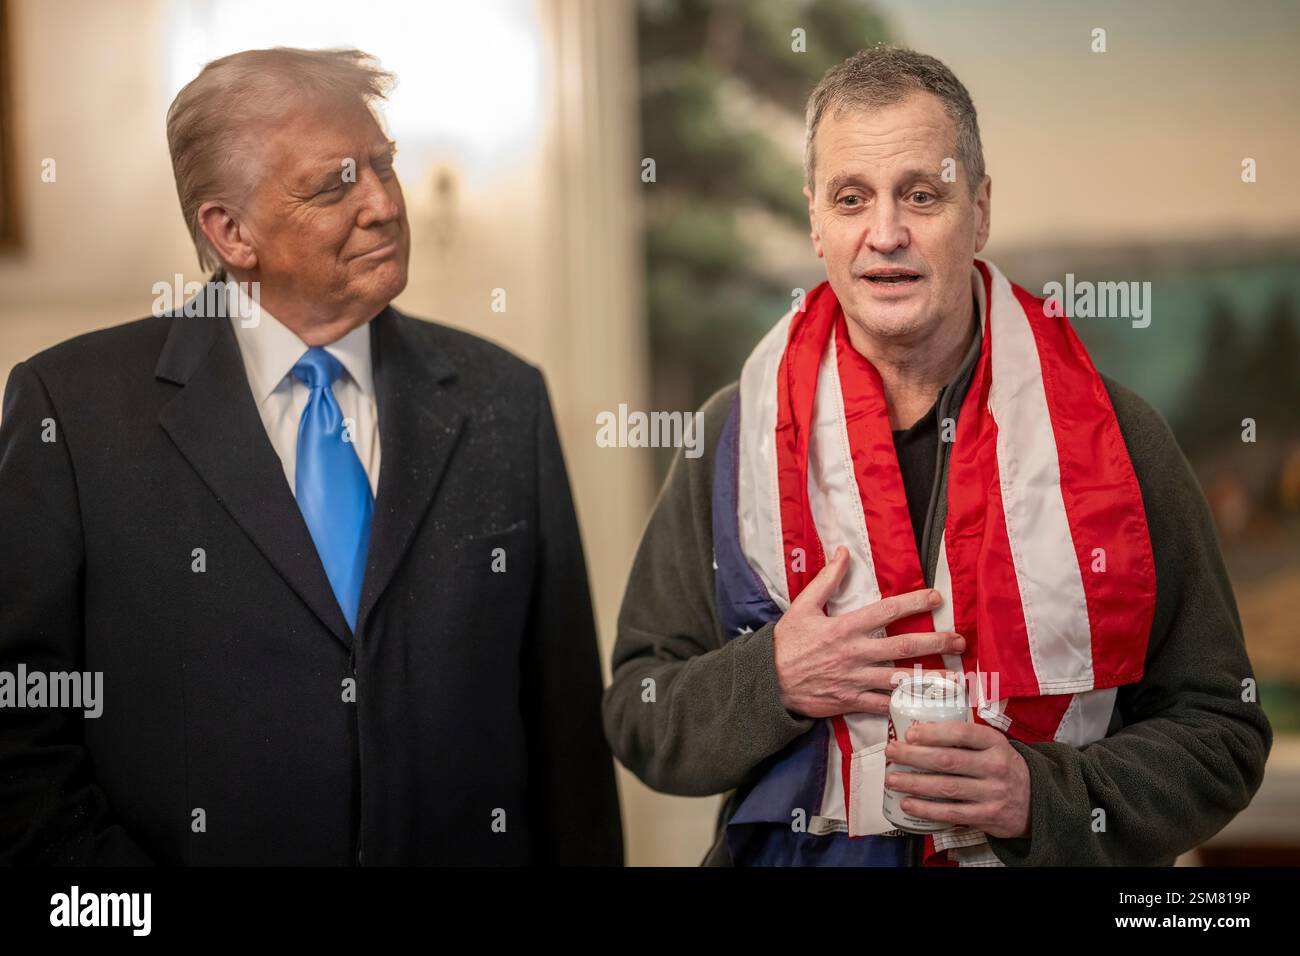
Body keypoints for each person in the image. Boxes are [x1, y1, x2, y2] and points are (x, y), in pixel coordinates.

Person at [603, 46, 1272, 866]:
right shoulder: (732, 435)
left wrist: (1042, 796)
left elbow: (1223, 732)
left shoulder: (1119, 437)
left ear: (980, 210)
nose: (886, 234)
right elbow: (639, 716)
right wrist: (769, 678)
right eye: (852, 198)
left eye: (923, 194)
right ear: (815, 218)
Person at [0, 47, 621, 865]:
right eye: (335, 183)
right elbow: (19, 740)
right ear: (231, 231)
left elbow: (564, 731)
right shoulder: (73, 409)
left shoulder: (503, 397)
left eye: (382, 165)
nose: (383, 204)